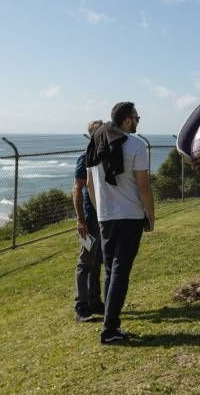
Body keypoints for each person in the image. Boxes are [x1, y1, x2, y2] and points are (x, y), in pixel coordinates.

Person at [87, 102, 155, 344]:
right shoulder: (136, 144)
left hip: (106, 216)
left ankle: (111, 324)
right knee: (120, 272)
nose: (138, 121)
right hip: (130, 216)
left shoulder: (97, 141)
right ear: (127, 120)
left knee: (110, 271)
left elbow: (89, 184)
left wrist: (100, 210)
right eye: (137, 117)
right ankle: (109, 329)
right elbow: (143, 186)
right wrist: (151, 215)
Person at [73, 120, 106, 322]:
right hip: (89, 217)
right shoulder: (85, 158)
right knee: (86, 261)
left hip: (103, 216)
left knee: (97, 260)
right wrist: (80, 219)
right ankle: (81, 306)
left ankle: (95, 301)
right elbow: (77, 189)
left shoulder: (104, 158)